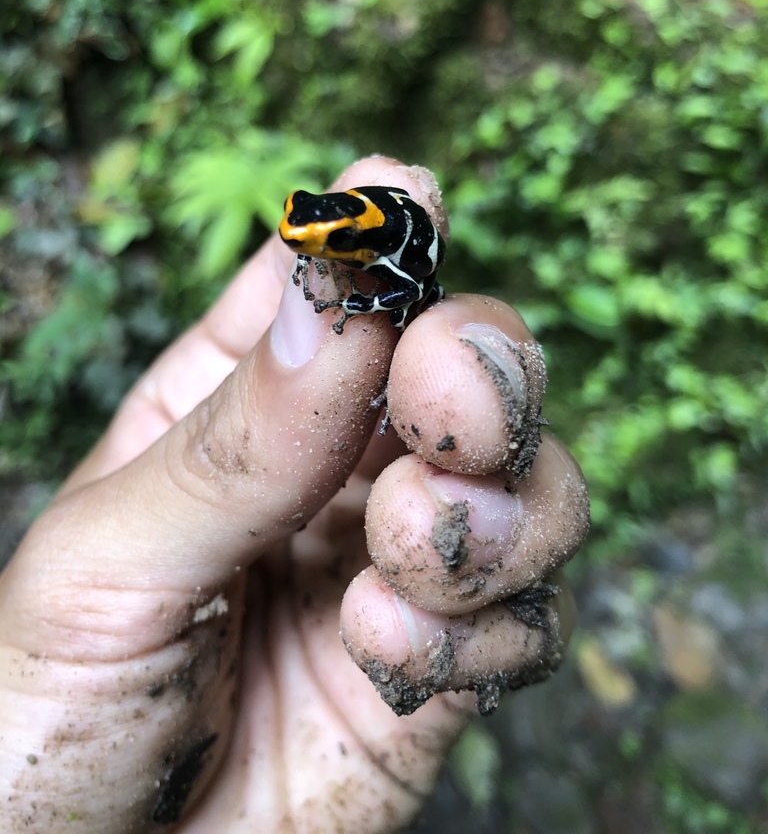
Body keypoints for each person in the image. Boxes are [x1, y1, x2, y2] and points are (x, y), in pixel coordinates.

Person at [0, 157, 589, 832]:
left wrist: (363, 303)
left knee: (454, 422)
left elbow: (411, 278)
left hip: (409, 263)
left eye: (323, 243)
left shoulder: (377, 243)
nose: (297, 242)